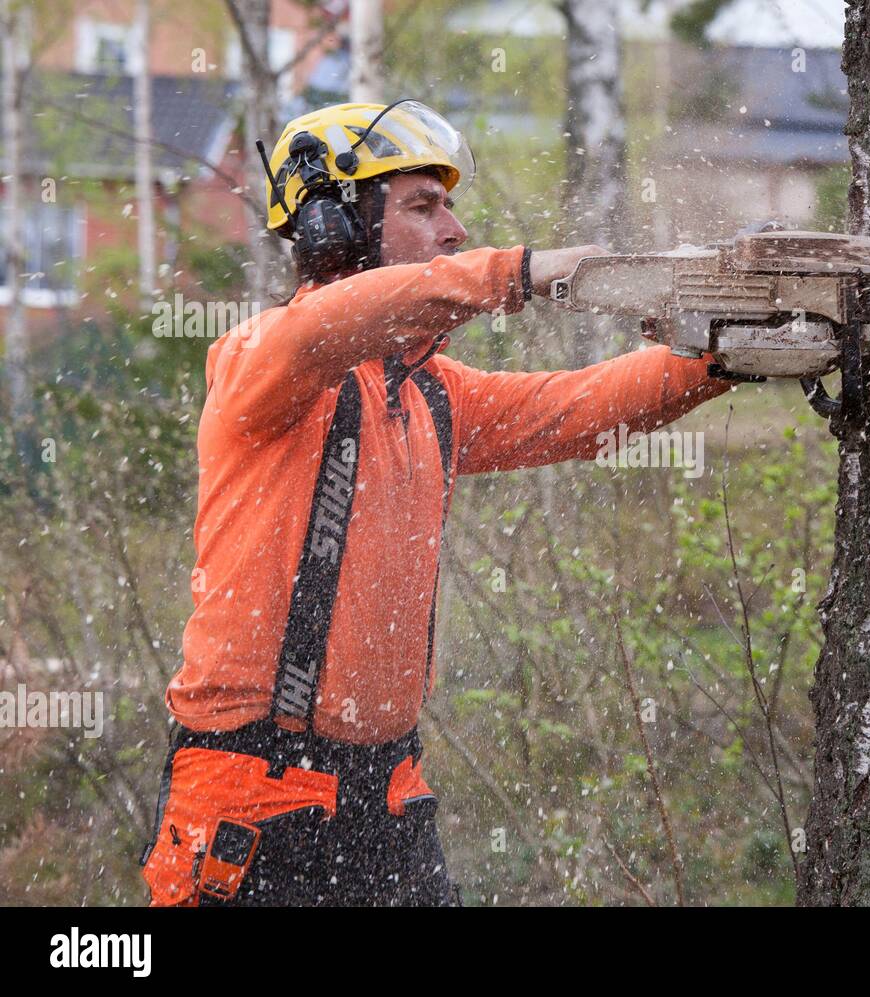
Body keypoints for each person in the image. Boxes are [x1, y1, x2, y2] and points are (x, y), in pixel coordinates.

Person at [137, 99, 736, 906]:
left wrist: (729, 350)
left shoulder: (431, 394)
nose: (453, 229)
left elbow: (583, 406)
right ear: (332, 228)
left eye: (448, 206)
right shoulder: (261, 360)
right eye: (424, 206)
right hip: (251, 803)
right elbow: (331, 323)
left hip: (387, 798)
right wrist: (517, 271)